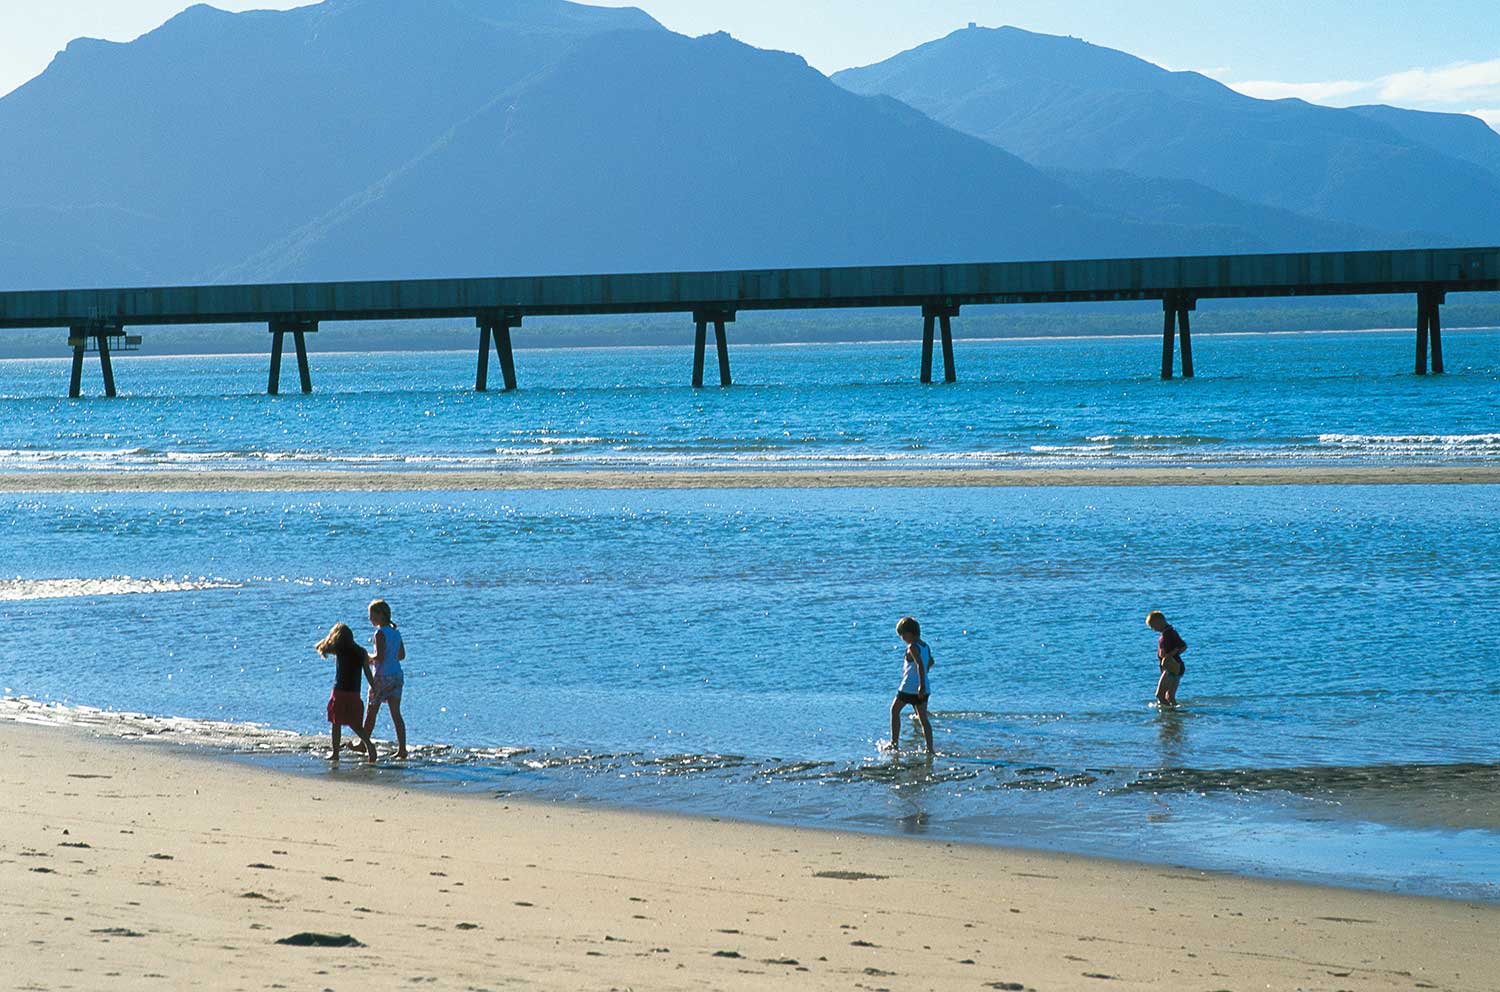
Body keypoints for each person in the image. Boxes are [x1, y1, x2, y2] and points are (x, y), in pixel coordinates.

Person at [316, 622, 378, 763]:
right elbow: (368, 673)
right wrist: (374, 687)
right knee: (355, 724)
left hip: (339, 692)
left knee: (335, 723)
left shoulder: (340, 650)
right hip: (354, 693)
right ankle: (369, 744)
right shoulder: (361, 651)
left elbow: (324, 647)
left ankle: (335, 753)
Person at [359, 599, 408, 758]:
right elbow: (401, 656)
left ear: (380, 615)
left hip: (381, 677)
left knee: (371, 712)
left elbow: (379, 657)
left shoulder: (380, 633)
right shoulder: (396, 632)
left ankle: (362, 744)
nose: (370, 619)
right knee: (396, 713)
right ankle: (402, 749)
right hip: (396, 674)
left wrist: (367, 657)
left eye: (372, 615)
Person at [889, 616, 935, 754]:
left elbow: (920, 664)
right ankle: (930, 748)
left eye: (903, 634)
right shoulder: (925, 646)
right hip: (924, 687)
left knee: (894, 710)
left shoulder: (912, 647)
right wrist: (924, 680)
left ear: (910, 633)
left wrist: (920, 684)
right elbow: (930, 662)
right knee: (923, 719)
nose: (902, 638)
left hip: (909, 687)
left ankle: (894, 743)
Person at [1146, 610, 1187, 707]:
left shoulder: (1168, 634)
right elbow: (1182, 647)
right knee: (1169, 696)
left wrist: (1168, 657)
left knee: (1160, 695)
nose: (1153, 629)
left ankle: (1168, 718)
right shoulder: (1170, 632)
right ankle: (1175, 717)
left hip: (1171, 667)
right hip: (1177, 666)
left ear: (1159, 622)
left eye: (1153, 626)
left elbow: (1181, 647)